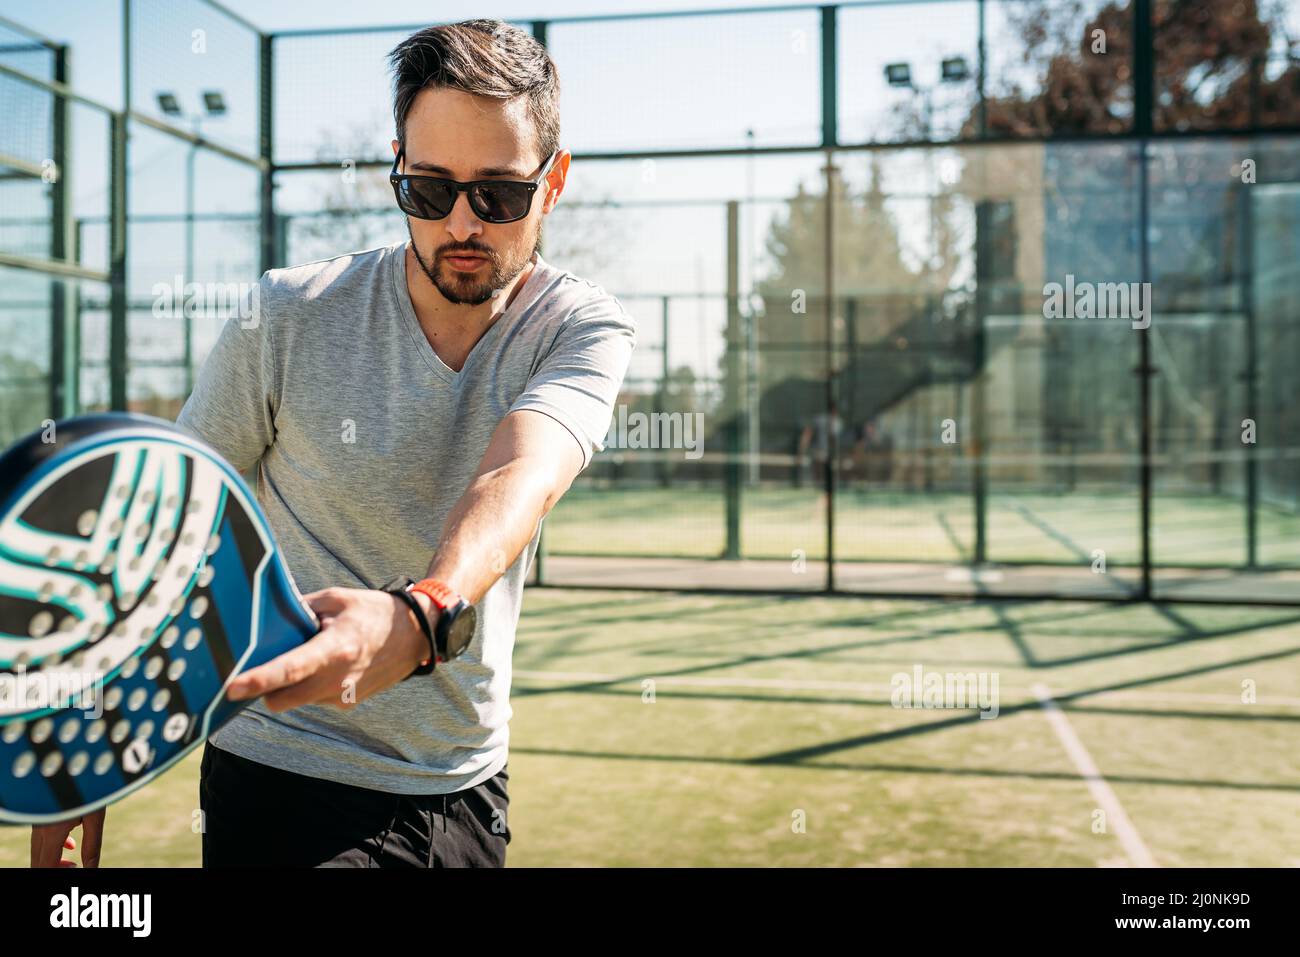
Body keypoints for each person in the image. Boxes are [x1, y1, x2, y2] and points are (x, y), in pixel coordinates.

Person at [30, 18, 634, 869]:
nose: (462, 222)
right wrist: (82, 731)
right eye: (429, 188)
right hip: (284, 779)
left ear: (554, 182)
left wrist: (418, 614)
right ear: (397, 168)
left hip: (466, 785)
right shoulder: (284, 316)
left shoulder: (579, 327)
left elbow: (520, 471)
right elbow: (169, 524)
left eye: (497, 195)